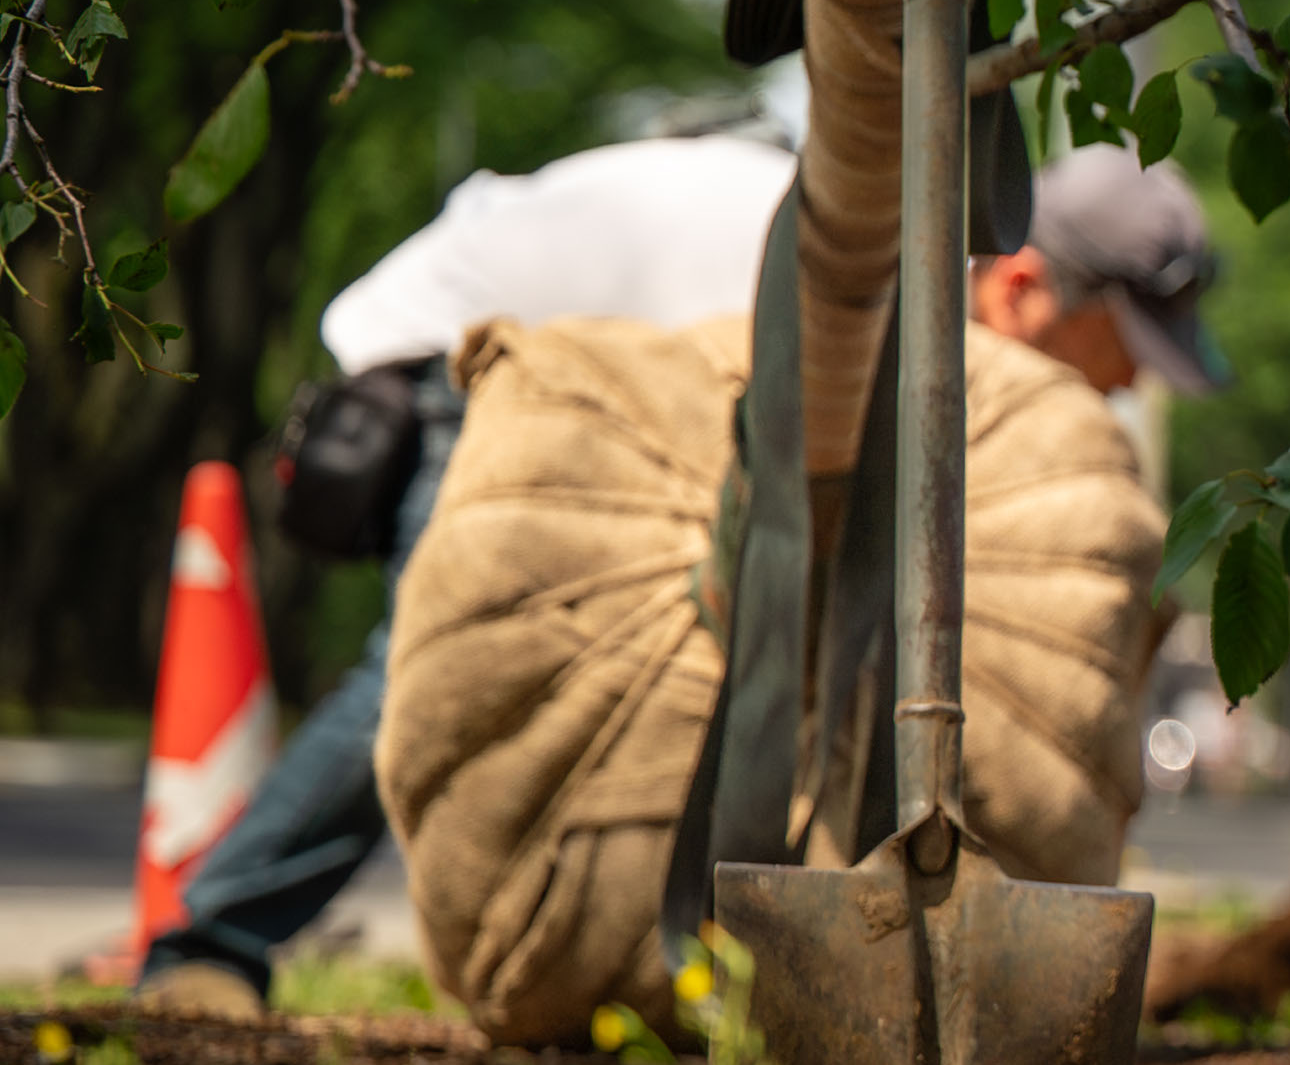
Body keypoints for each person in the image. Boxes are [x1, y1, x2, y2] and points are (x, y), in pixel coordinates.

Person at [140, 136, 1225, 1016]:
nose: (1126, 380)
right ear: (1027, 288)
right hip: (455, 354)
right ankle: (208, 943)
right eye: (1119, 343)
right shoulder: (864, 280)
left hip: (548, 355)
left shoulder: (902, 279)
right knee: (447, 666)